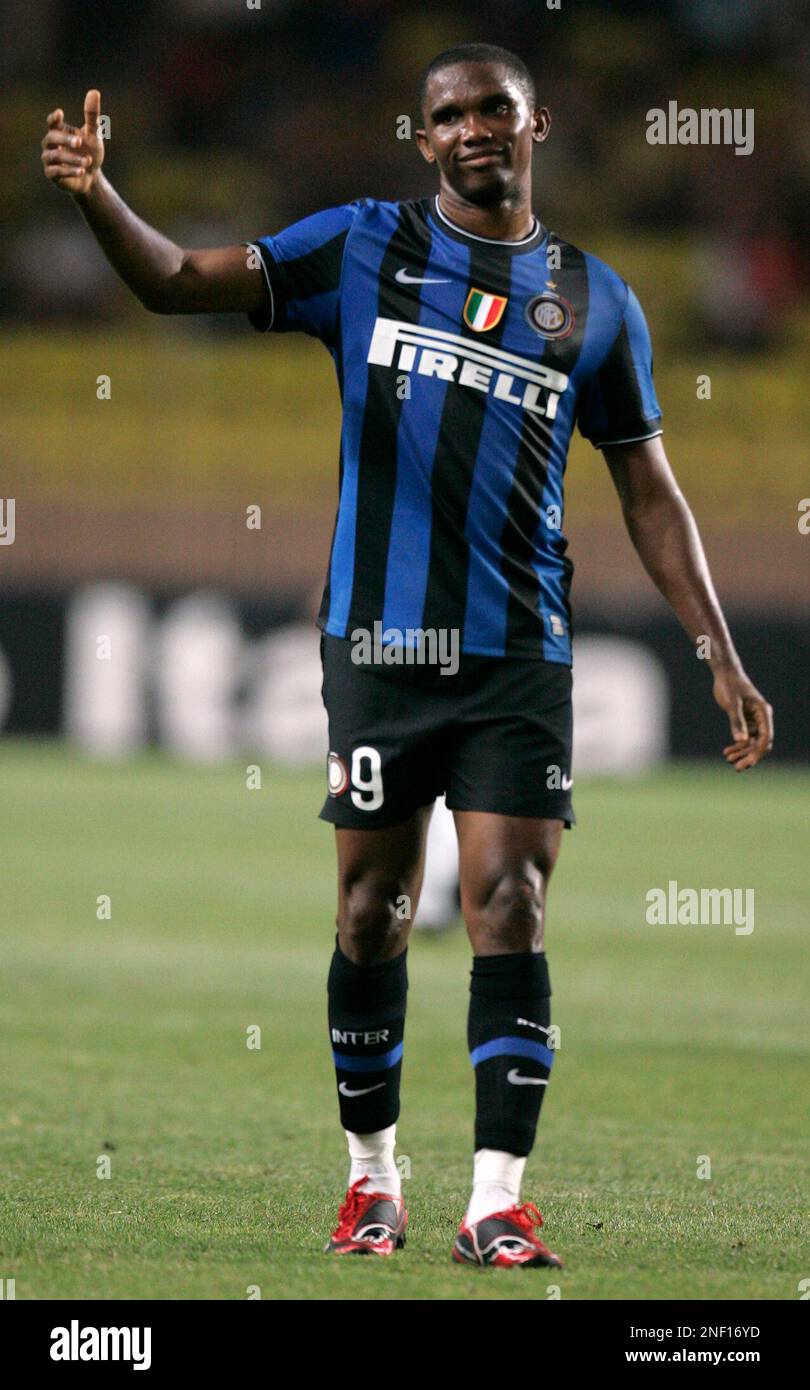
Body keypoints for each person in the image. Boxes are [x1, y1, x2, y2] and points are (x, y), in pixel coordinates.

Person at [42, 43, 774, 1269]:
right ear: (423, 138)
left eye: (498, 106)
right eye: (451, 114)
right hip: (379, 647)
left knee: (509, 903)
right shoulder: (357, 248)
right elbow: (174, 281)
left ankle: (497, 1201)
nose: (477, 126)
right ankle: (371, 1179)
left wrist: (719, 649)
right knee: (372, 917)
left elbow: (649, 488)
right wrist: (95, 194)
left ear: (535, 122)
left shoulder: (597, 302)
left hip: (519, 654)